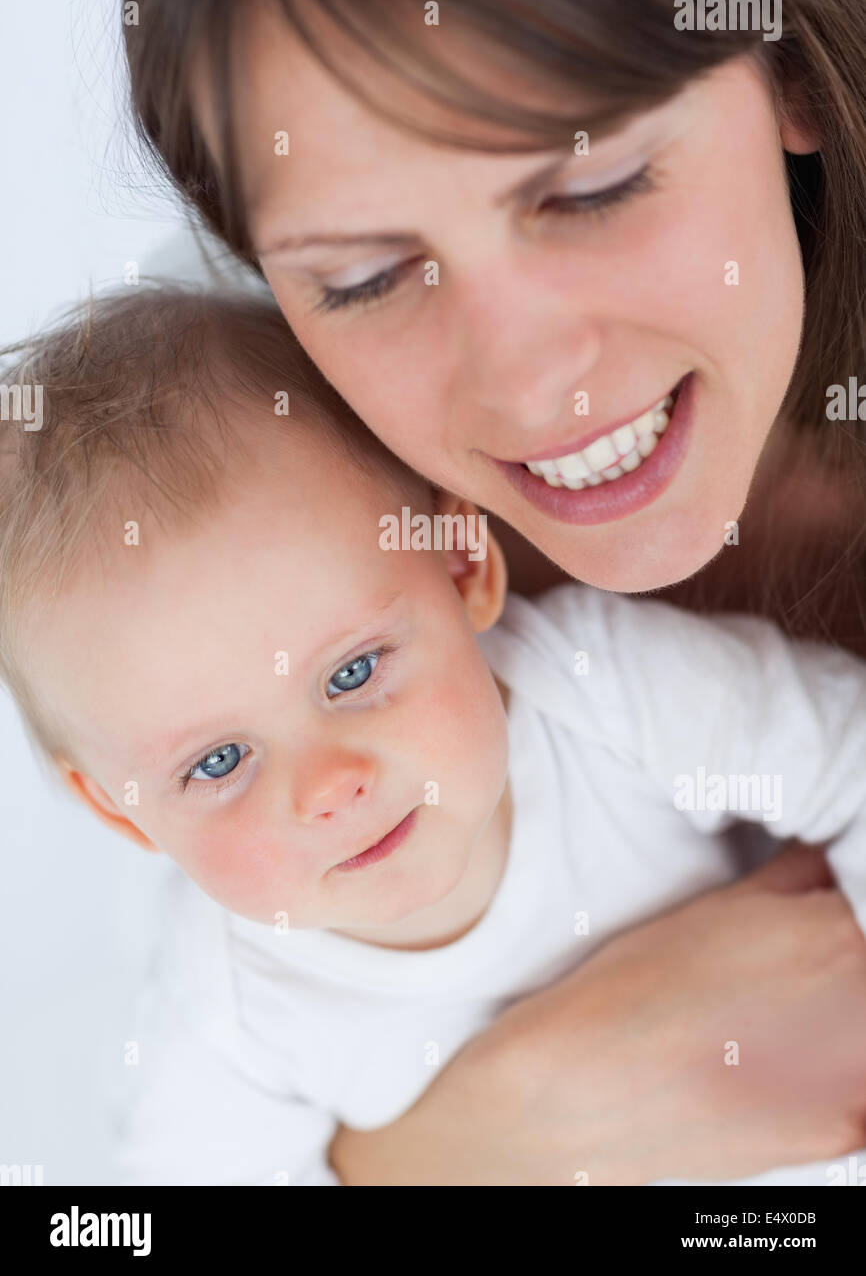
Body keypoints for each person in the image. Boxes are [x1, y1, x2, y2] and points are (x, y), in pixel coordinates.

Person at [118, 0, 866, 1180]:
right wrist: (472, 1143)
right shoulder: (288, 583)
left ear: (788, 64)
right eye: (357, 275)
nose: (529, 387)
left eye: (593, 187)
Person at [2, 285, 866, 1188]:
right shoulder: (234, 1005)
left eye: (353, 673)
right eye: (218, 762)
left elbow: (847, 752)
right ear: (126, 813)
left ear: (462, 564)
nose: (330, 785)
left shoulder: (602, 695)